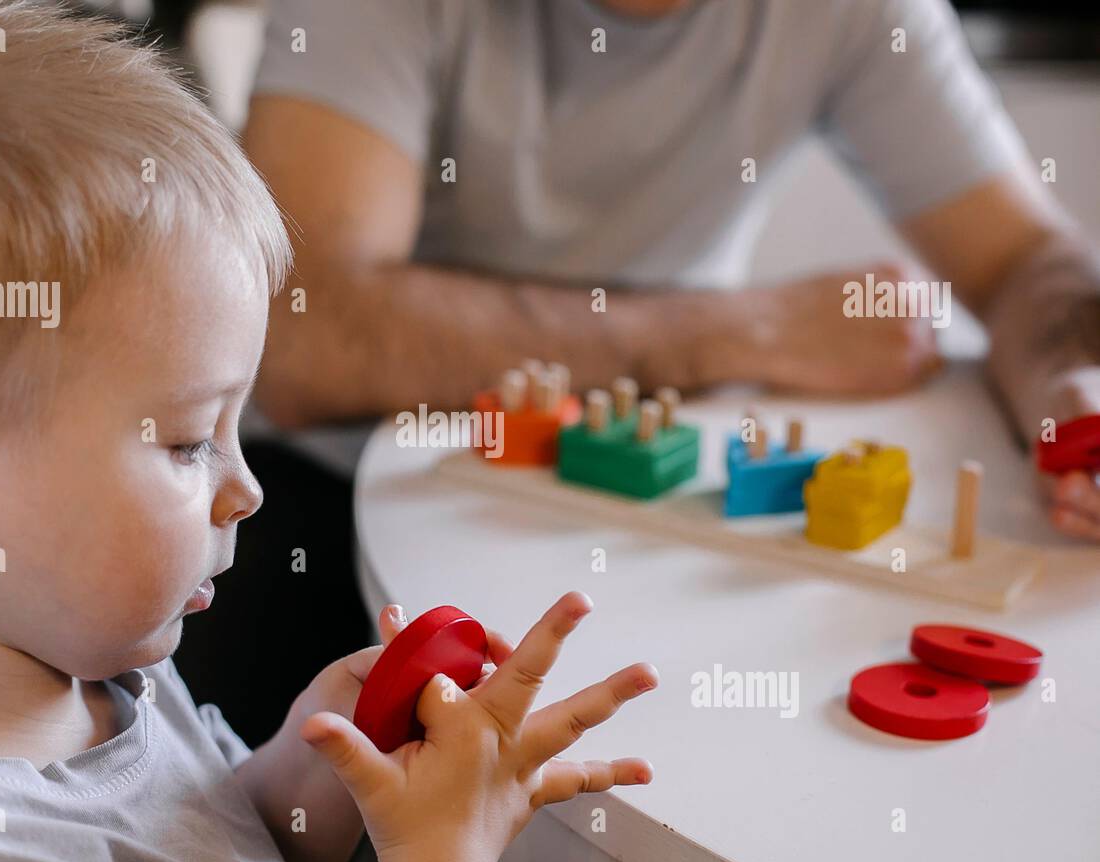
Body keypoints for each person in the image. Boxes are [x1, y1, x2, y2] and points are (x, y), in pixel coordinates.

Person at [0, 0, 657, 862]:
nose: (246, 489)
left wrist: (316, 767)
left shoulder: (89, 659)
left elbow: (211, 831)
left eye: (230, 427)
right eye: (183, 442)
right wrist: (444, 850)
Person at [244, 0, 1100, 540]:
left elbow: (1030, 262)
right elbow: (300, 335)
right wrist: (744, 330)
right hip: (335, 491)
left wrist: (1075, 385)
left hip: (649, 481)